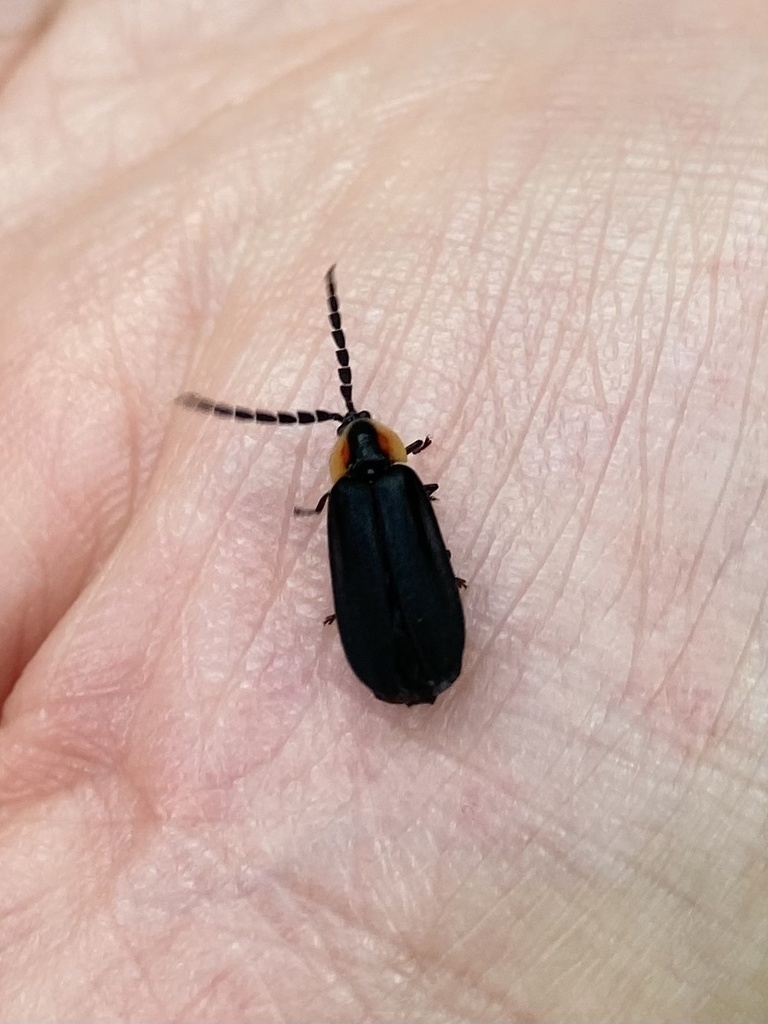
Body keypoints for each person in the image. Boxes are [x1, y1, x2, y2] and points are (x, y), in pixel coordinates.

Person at [0, 1, 764, 1018]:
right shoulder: (400, 483)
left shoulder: (367, 496)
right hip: (411, 647)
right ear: (394, 451)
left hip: (402, 648)